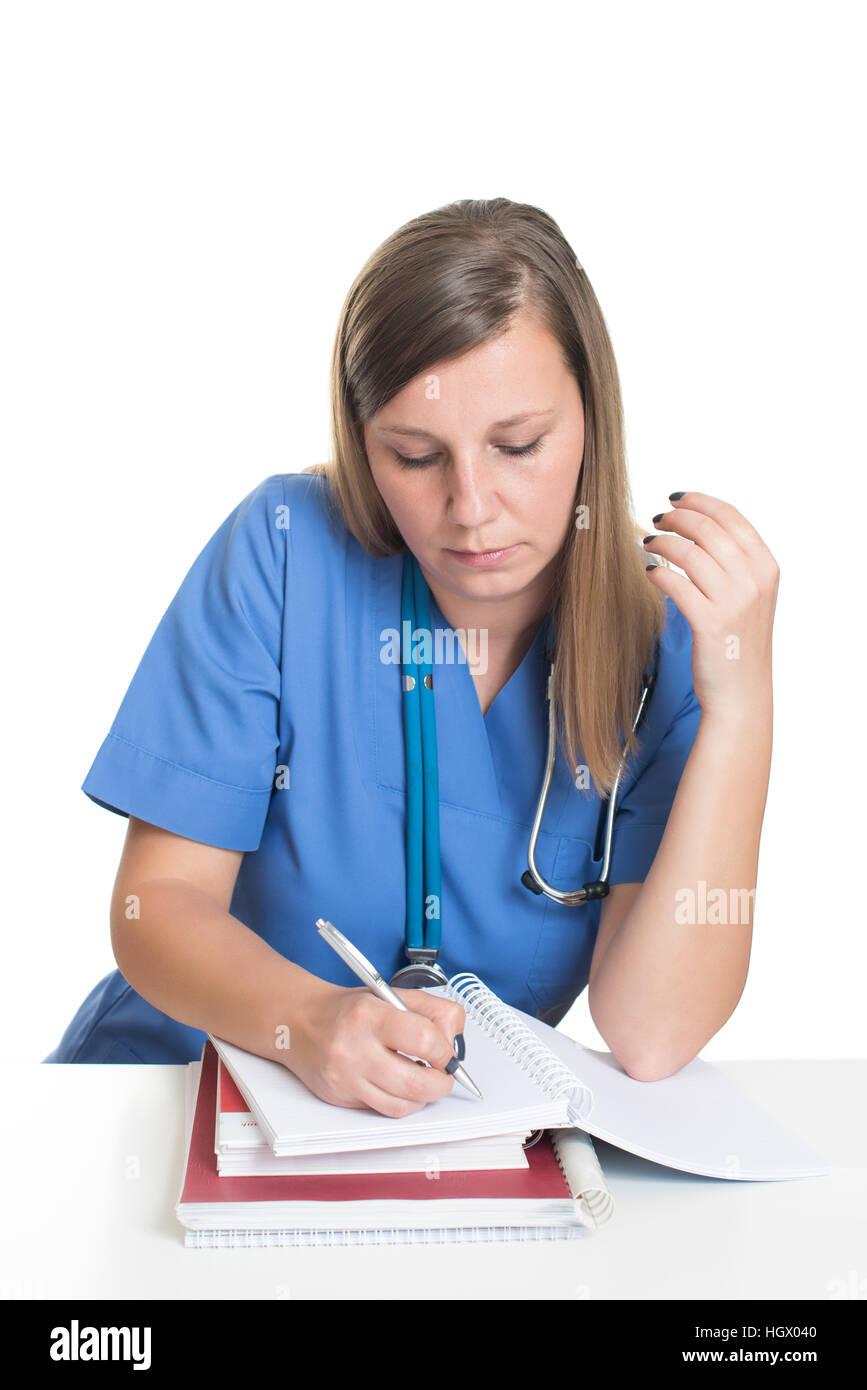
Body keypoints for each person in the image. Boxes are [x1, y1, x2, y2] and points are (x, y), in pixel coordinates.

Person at [45, 197, 779, 1116]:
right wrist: (303, 1021)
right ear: (361, 442)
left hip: (435, 1148)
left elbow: (651, 1032)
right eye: (415, 455)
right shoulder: (282, 548)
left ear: (592, 419)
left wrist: (741, 707)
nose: (470, 505)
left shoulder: (665, 641)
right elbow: (157, 906)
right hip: (168, 1100)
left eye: (518, 445)